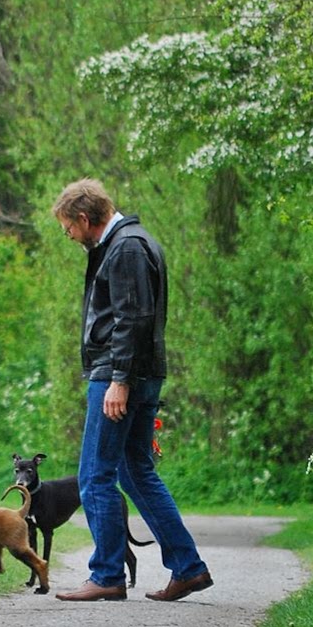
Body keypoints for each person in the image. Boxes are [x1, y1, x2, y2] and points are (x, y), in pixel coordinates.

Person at [51, 178, 212, 603]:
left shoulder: (125, 248)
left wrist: (118, 380)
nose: (68, 236)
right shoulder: (130, 244)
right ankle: (188, 568)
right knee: (133, 470)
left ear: (85, 219)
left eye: (68, 227)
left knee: (95, 474)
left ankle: (106, 575)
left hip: (121, 375)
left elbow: (133, 318)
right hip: (137, 373)